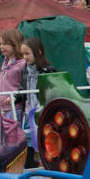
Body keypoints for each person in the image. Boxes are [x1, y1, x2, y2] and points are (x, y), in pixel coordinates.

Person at [20, 37, 56, 168]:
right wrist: (17, 97)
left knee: (44, 140)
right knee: (28, 140)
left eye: (27, 53)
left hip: (41, 110)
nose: (24, 57)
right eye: (23, 54)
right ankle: (29, 166)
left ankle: (48, 165)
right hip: (28, 110)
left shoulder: (48, 71)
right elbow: (22, 87)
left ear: (38, 52)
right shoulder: (25, 70)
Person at [0, 28, 27, 122]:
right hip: (2, 108)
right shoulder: (4, 62)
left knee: (14, 134)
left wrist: (15, 97)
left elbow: (24, 86)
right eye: (0, 44)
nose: (1, 46)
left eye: (5, 44)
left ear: (15, 44)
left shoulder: (22, 64)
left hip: (14, 108)